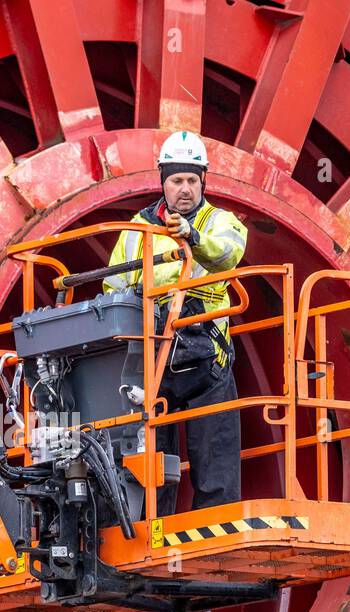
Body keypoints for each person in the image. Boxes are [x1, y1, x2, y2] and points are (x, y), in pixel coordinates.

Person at [102, 131, 248, 515]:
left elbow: (227, 254)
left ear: (204, 182)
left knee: (214, 451)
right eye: (176, 180)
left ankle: (217, 525)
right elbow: (113, 286)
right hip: (151, 355)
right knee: (153, 457)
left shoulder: (220, 222)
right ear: (162, 182)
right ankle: (154, 527)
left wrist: (193, 236)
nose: (184, 189)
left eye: (191, 181)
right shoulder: (136, 228)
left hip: (205, 355)